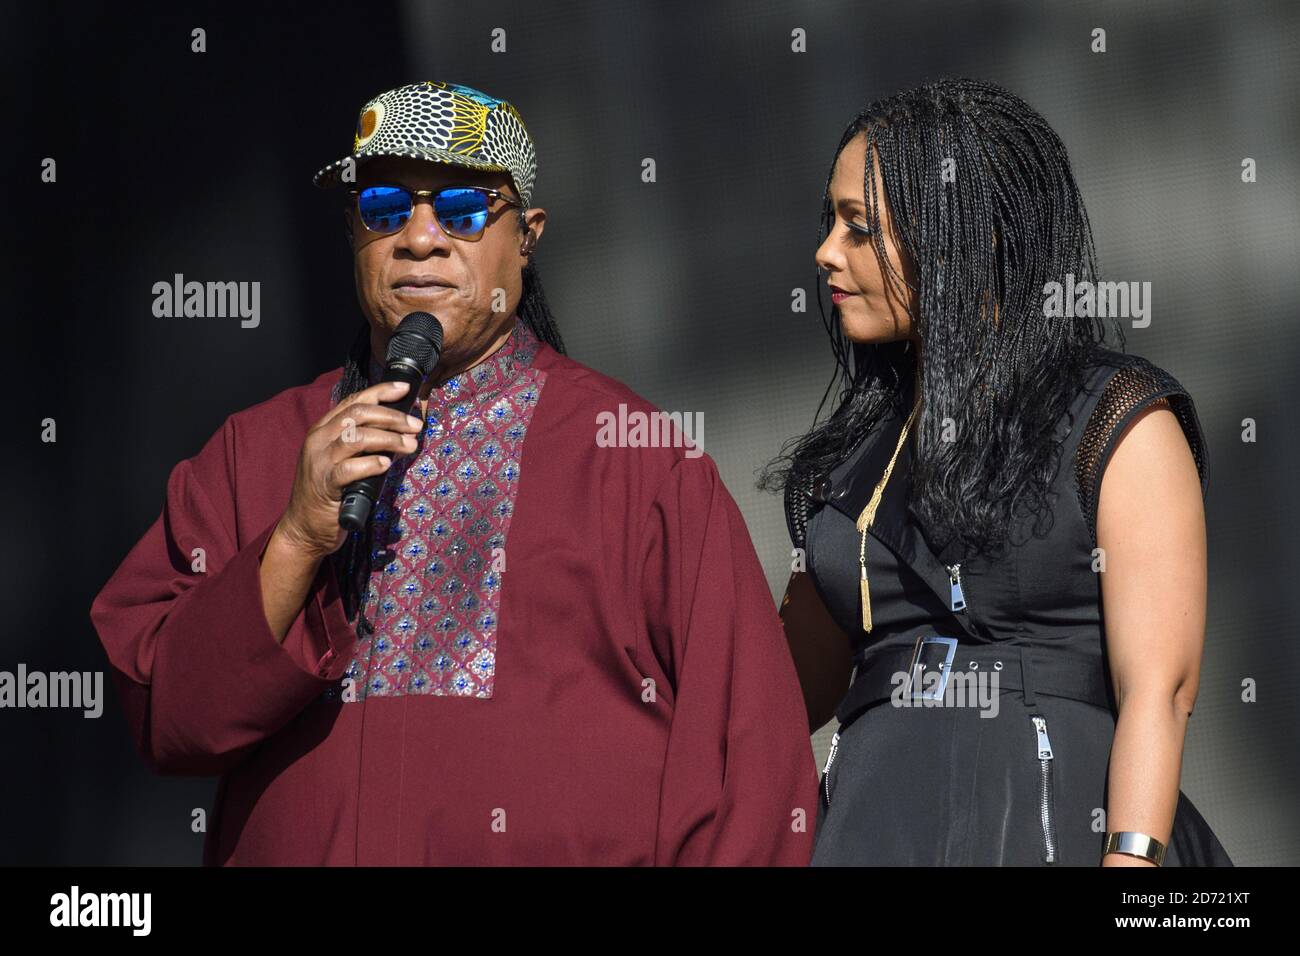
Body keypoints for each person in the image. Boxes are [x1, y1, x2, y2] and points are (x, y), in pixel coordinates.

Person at [90, 80, 816, 866]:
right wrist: (296, 536)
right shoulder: (255, 452)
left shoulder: (636, 459)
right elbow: (169, 713)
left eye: (463, 210)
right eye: (385, 208)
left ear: (527, 236)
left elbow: (754, 764)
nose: (420, 239)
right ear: (351, 230)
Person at [762, 77, 1233, 866]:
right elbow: (776, 703)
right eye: (829, 222)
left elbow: (1163, 688)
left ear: (959, 238)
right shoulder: (850, 464)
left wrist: (1130, 860)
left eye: (857, 227)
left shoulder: (1117, 418)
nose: (824, 254)